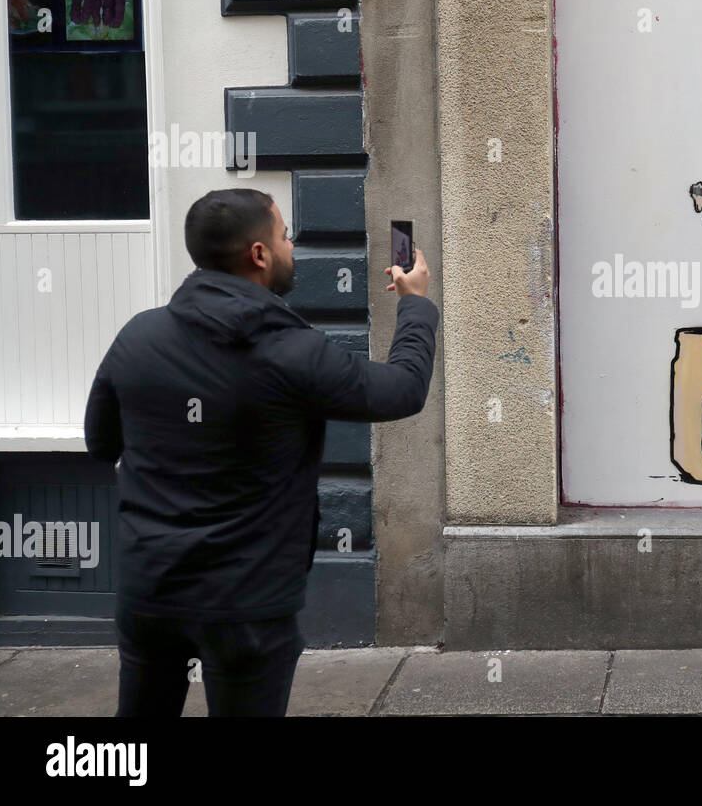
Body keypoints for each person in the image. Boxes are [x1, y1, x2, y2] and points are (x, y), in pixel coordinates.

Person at [84, 188, 438, 716]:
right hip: (244, 604)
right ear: (259, 255)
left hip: (149, 590)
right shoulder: (291, 352)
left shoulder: (138, 336)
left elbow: (102, 444)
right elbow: (402, 389)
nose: (292, 246)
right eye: (284, 235)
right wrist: (414, 303)